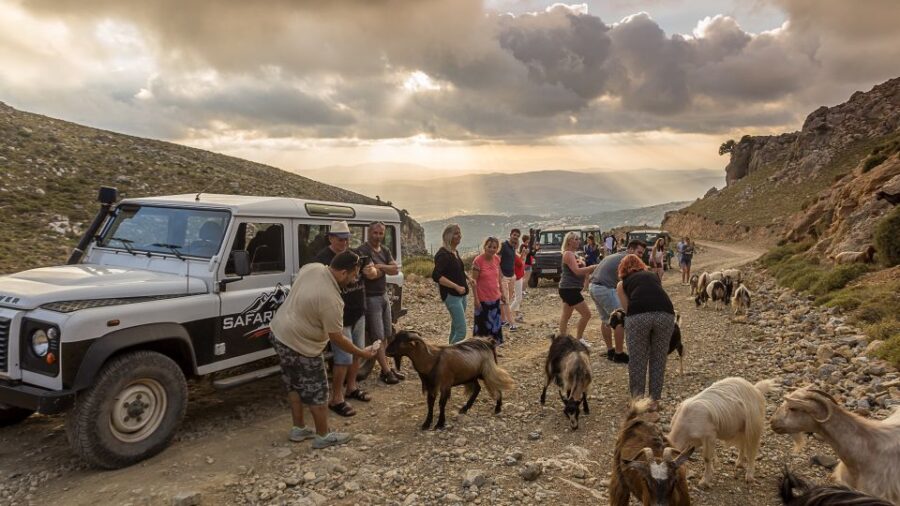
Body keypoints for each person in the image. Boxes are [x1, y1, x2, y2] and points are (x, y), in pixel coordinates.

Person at [269, 250, 379, 449]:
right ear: (344, 272)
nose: (356, 279)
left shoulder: (313, 268)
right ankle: (322, 435)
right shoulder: (332, 299)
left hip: (279, 333)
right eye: (355, 274)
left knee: (294, 383)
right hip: (301, 343)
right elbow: (337, 338)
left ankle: (299, 429)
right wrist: (363, 353)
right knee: (318, 389)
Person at [315, 221, 379, 415]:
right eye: (340, 239)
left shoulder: (354, 255)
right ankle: (336, 398)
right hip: (338, 315)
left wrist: (371, 271)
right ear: (331, 238)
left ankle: (351, 388)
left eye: (347, 239)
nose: (344, 243)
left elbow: (373, 270)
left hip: (358, 311)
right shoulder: (321, 259)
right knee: (342, 357)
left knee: (356, 353)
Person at [615, 254, 675, 404]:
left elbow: (627, 309)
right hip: (666, 314)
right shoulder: (653, 275)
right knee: (658, 360)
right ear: (641, 265)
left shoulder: (622, 284)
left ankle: (638, 402)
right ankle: (654, 402)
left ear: (623, 269)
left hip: (638, 317)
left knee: (637, 361)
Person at [357, 221, 405, 385]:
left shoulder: (384, 249)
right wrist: (384, 269)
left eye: (381, 233)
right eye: (375, 233)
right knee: (377, 337)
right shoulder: (363, 250)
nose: (378, 236)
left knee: (386, 334)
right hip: (370, 298)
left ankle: (387, 369)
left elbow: (395, 270)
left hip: (383, 295)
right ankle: (385, 371)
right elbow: (369, 274)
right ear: (369, 233)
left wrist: (379, 267)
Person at [588, 239, 646, 363]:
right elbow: (627, 283)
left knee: (606, 319)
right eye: (639, 253)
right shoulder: (627, 260)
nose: (641, 256)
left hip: (593, 286)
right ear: (630, 249)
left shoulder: (617, 255)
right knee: (620, 319)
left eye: (642, 254)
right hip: (604, 288)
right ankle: (619, 354)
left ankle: (610, 351)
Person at [431, 224, 471, 344]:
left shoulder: (454, 252)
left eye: (459, 233)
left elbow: (458, 269)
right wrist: (456, 286)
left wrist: (469, 278)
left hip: (462, 296)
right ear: (448, 236)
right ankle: (449, 356)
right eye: (456, 233)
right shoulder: (443, 254)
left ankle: (449, 355)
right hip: (452, 296)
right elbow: (436, 276)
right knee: (461, 331)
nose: (459, 236)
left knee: (455, 327)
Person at [558, 231, 598, 346]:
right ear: (569, 241)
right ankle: (579, 339)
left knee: (566, 315)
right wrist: (592, 267)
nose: (578, 241)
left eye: (578, 239)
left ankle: (562, 340)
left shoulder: (574, 254)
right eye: (575, 239)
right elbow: (577, 271)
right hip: (569, 289)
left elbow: (580, 273)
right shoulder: (568, 254)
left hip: (570, 288)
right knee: (587, 314)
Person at [471, 237, 504, 344]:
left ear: (497, 249)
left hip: (495, 299)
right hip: (482, 300)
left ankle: (493, 350)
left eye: (494, 247)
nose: (491, 249)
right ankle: (480, 352)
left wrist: (502, 293)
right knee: (482, 328)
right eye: (489, 246)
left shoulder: (497, 259)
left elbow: (498, 278)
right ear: (485, 246)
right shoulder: (478, 261)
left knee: (495, 327)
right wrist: (476, 299)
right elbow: (473, 282)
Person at [499, 229, 521, 330]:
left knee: (508, 299)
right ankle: (511, 323)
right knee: (506, 300)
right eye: (514, 235)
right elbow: (497, 261)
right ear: (510, 235)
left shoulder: (513, 247)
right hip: (504, 277)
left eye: (517, 236)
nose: (515, 237)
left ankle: (502, 320)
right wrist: (501, 276)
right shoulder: (503, 245)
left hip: (512, 276)